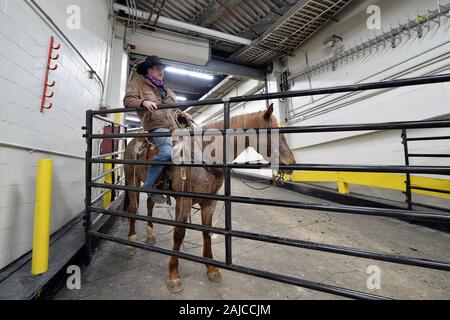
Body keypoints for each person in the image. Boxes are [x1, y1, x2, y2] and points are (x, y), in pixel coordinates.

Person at [123, 55, 191, 203]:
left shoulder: (166, 88)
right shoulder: (138, 83)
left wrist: (182, 114)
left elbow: (174, 108)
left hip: (174, 126)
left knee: (192, 149)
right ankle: (148, 186)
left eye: (163, 70)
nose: (162, 72)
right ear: (149, 70)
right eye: (159, 69)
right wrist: (143, 102)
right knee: (166, 152)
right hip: (156, 125)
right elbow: (128, 100)